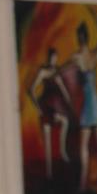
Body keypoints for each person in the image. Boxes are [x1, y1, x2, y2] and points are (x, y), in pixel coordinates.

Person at [69, 7, 97, 194]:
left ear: (80, 39)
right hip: (92, 105)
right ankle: (93, 186)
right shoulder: (91, 56)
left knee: (87, 147)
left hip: (90, 106)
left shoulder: (79, 57)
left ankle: (85, 185)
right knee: (95, 148)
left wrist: (96, 16)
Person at [28, 47, 72, 180]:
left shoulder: (57, 72)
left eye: (55, 58)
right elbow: (31, 90)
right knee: (47, 141)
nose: (53, 60)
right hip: (45, 107)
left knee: (65, 121)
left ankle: (62, 151)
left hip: (55, 109)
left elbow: (64, 91)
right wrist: (38, 107)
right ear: (48, 58)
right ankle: (48, 173)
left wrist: (67, 98)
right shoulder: (43, 71)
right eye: (52, 57)